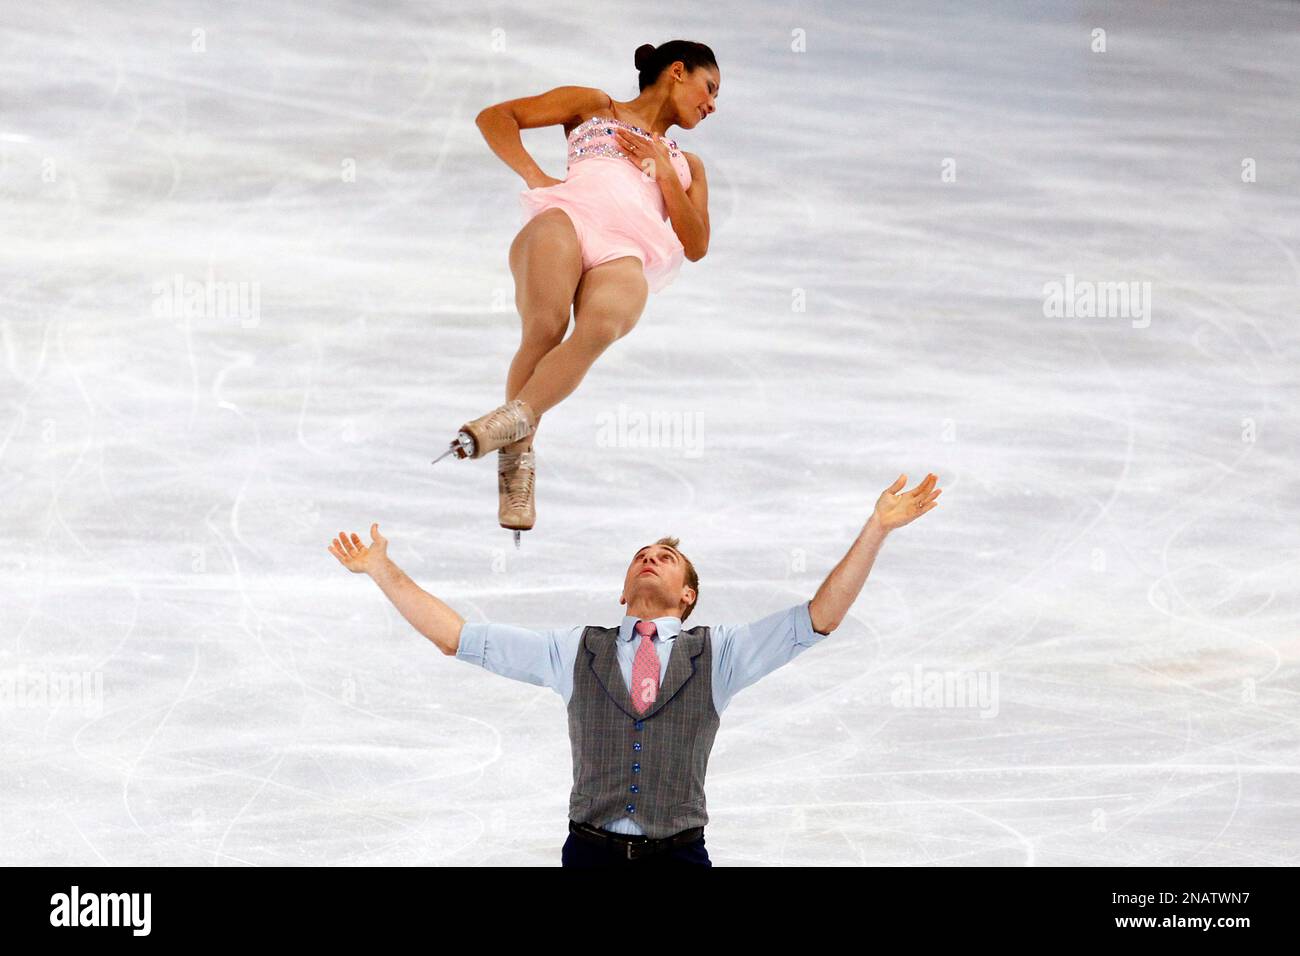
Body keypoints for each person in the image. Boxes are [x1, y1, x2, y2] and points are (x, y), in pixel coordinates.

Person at [328, 473, 942, 866]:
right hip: (590, 854)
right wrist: (383, 571)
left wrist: (877, 528)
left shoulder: (718, 655)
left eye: (667, 558)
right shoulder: (576, 651)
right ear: (625, 592)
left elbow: (818, 617)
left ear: (687, 597)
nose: (651, 558)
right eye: (642, 556)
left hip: (679, 857)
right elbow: (457, 636)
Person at [433, 40, 720, 547]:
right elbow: (495, 117)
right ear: (678, 71)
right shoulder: (594, 105)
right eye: (709, 87)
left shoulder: (688, 163)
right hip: (565, 222)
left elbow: (695, 244)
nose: (712, 104)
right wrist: (534, 175)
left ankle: (511, 423)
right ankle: (518, 469)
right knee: (545, 329)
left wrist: (661, 165)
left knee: (604, 324)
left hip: (626, 251)